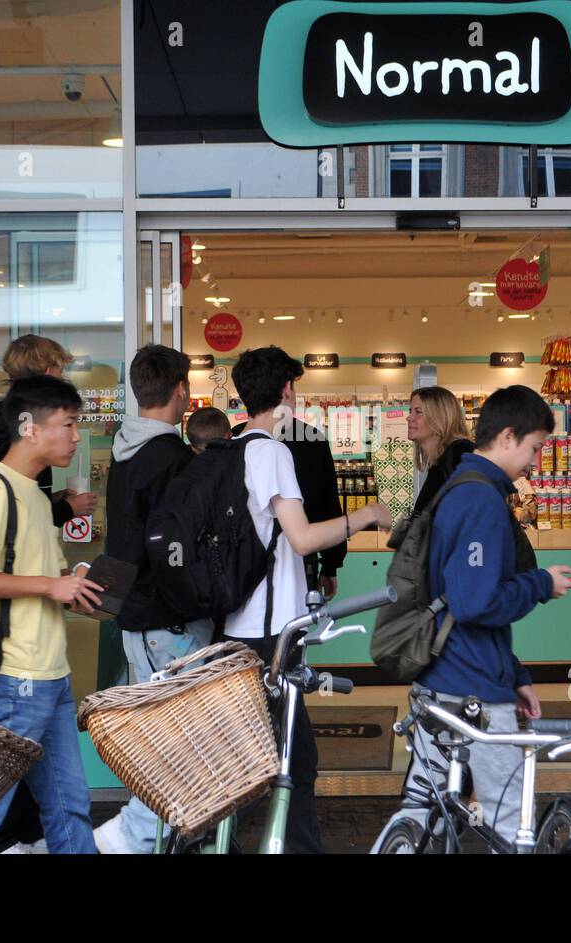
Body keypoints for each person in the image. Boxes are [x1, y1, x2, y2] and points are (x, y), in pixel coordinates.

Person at [373, 384, 571, 853]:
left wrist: (517, 675)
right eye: (535, 447)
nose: (536, 460)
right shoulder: (480, 500)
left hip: (441, 679)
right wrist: (541, 584)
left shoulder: (461, 487)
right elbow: (474, 604)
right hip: (473, 693)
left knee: (422, 810)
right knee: (511, 821)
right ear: (507, 436)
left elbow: (460, 602)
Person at [224, 346, 393, 853]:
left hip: (238, 622)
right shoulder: (273, 451)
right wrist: (363, 518)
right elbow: (300, 538)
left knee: (261, 746)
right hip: (274, 628)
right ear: (286, 393)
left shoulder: (232, 447)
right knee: (294, 756)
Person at [0, 374, 103, 855]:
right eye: (68, 423)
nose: (76, 435)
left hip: (49, 675)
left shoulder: (36, 494)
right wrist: (51, 585)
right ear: (30, 428)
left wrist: (71, 580)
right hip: (12, 680)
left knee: (69, 806)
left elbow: (36, 571)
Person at [95, 344, 208, 854]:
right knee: (175, 739)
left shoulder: (124, 449)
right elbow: (176, 551)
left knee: (161, 732)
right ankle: (136, 834)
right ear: (181, 391)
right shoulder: (173, 458)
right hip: (168, 623)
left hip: (136, 618)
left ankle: (155, 831)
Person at [0, 334, 97, 526]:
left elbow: (22, 497)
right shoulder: (16, 420)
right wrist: (67, 509)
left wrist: (48, 498)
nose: (76, 436)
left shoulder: (3, 417)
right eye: (67, 424)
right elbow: (19, 516)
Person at [232, 412, 347, 598]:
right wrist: (330, 565)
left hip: (244, 557)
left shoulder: (236, 436)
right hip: (300, 559)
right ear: (286, 392)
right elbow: (327, 505)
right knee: (296, 621)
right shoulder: (311, 437)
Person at [408, 385, 475, 517]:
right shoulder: (441, 462)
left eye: (418, 412)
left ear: (439, 417)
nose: (409, 417)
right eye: (410, 411)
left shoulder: (461, 455)